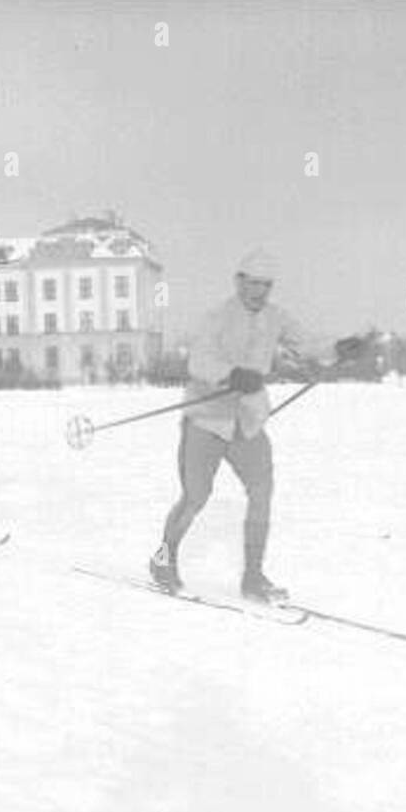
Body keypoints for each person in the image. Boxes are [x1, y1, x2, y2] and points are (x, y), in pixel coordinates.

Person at [149, 248, 296, 604]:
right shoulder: (217, 317)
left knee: (262, 492)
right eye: (253, 284)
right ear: (239, 281)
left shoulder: (276, 317)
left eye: (266, 285)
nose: (259, 292)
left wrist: (342, 347)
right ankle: (163, 560)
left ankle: (253, 578)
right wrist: (230, 374)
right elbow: (200, 360)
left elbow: (306, 341)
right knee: (196, 496)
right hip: (207, 420)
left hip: (247, 421)